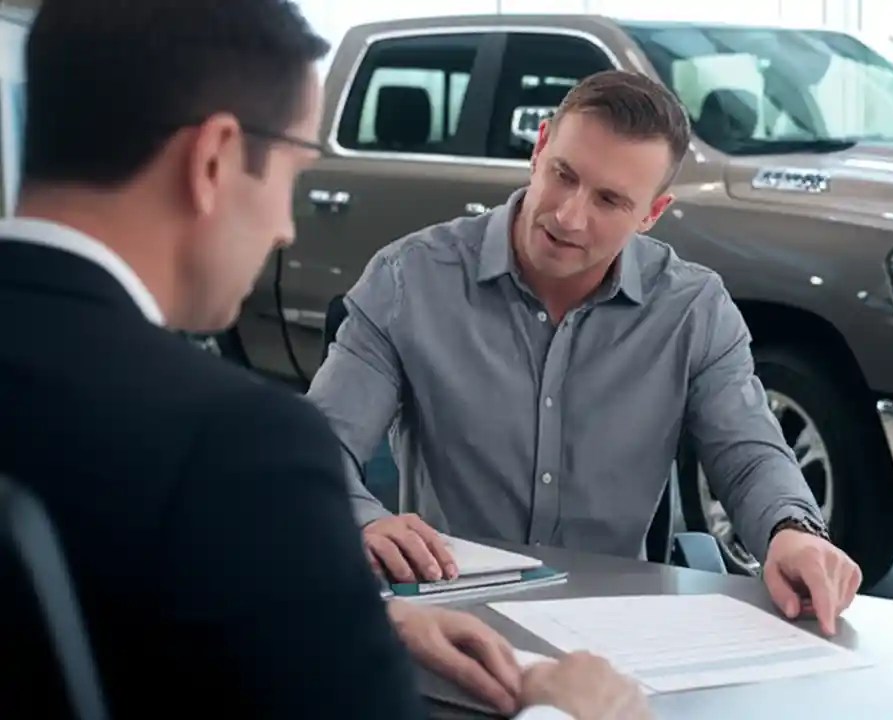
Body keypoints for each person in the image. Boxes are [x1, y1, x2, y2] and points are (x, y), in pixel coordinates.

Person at [0, 1, 647, 719]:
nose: (284, 229)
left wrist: (359, 617)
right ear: (214, 160)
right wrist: (569, 713)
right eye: (292, 173)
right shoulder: (237, 445)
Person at [307, 70, 863, 636]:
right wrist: (361, 522)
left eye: (609, 200)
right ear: (540, 147)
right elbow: (317, 451)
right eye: (564, 175)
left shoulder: (693, 310)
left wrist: (794, 532)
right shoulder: (410, 281)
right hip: (453, 625)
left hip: (620, 635)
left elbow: (749, 456)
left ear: (651, 213)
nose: (569, 217)